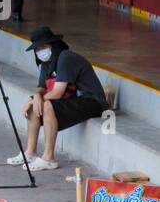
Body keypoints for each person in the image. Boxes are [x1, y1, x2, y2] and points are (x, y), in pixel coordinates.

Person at [9, 26, 107, 171]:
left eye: (43, 46)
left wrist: (35, 99)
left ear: (53, 44)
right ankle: (30, 153)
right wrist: (35, 96)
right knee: (34, 105)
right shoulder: (45, 63)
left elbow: (57, 93)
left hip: (93, 102)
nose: (40, 51)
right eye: (37, 49)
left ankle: (49, 158)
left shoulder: (65, 57)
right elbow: (41, 87)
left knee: (48, 105)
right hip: (74, 101)